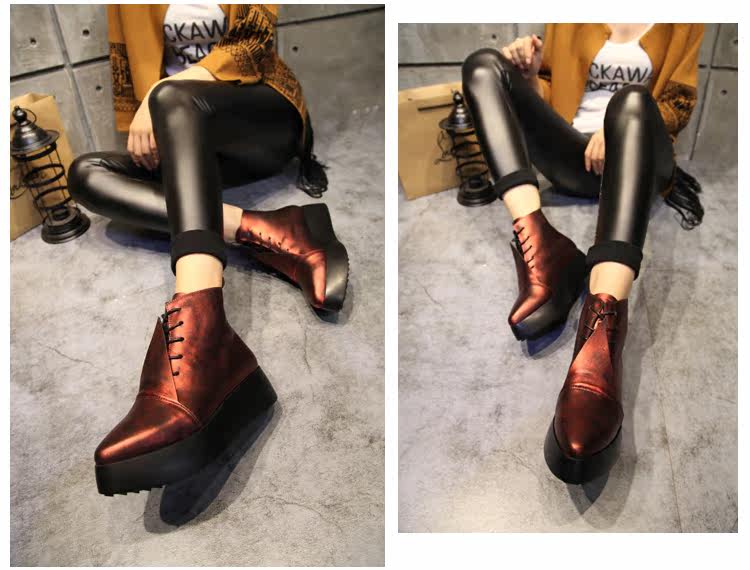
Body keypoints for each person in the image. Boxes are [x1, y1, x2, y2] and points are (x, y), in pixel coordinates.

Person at [68, 4, 349, 496]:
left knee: (173, 95)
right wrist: (150, 119)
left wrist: (162, 93)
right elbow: (126, 61)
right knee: (86, 174)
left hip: (258, 116)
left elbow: (254, 44)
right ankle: (266, 227)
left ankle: (203, 322)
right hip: (184, 131)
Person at [461, 23, 704, 483]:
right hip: (577, 156)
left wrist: (616, 127)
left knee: (631, 100)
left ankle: (603, 316)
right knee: (482, 65)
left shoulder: (683, 19)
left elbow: (679, 103)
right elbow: (551, 94)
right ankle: (541, 244)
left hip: (639, 156)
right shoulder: (571, 16)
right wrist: (531, 76)